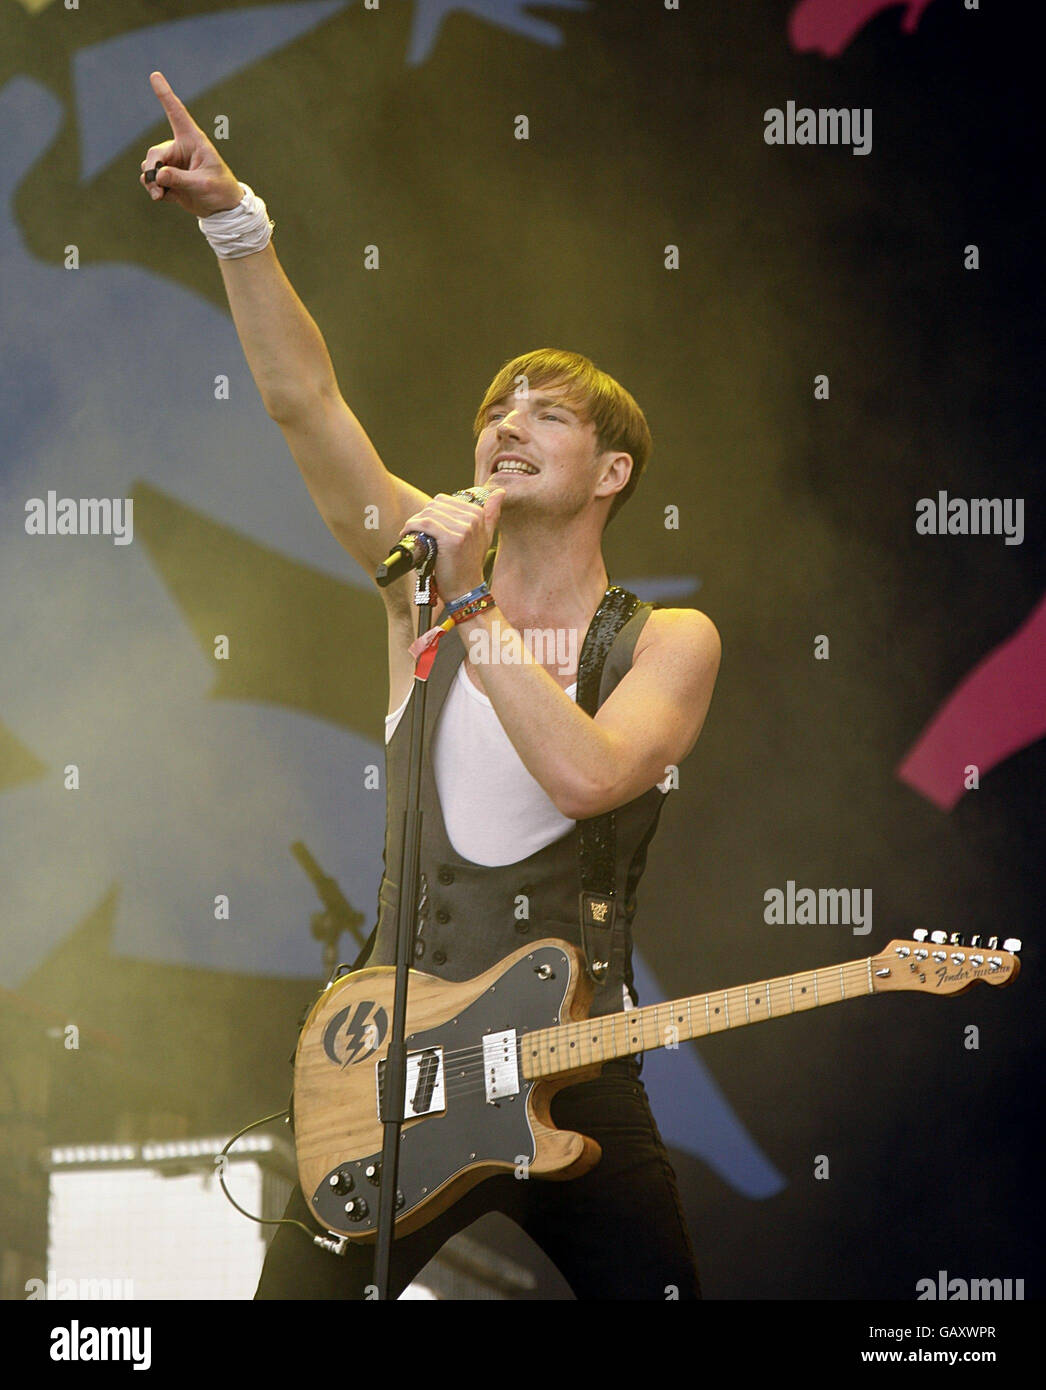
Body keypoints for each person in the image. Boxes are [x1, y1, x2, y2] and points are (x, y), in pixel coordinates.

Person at [140, 70, 721, 1300]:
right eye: (494, 406)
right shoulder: (418, 565)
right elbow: (307, 405)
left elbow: (584, 775)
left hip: (573, 1062)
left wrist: (468, 601)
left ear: (612, 470)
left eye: (547, 414)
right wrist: (235, 223)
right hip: (393, 1056)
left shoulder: (666, 637)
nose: (506, 421)